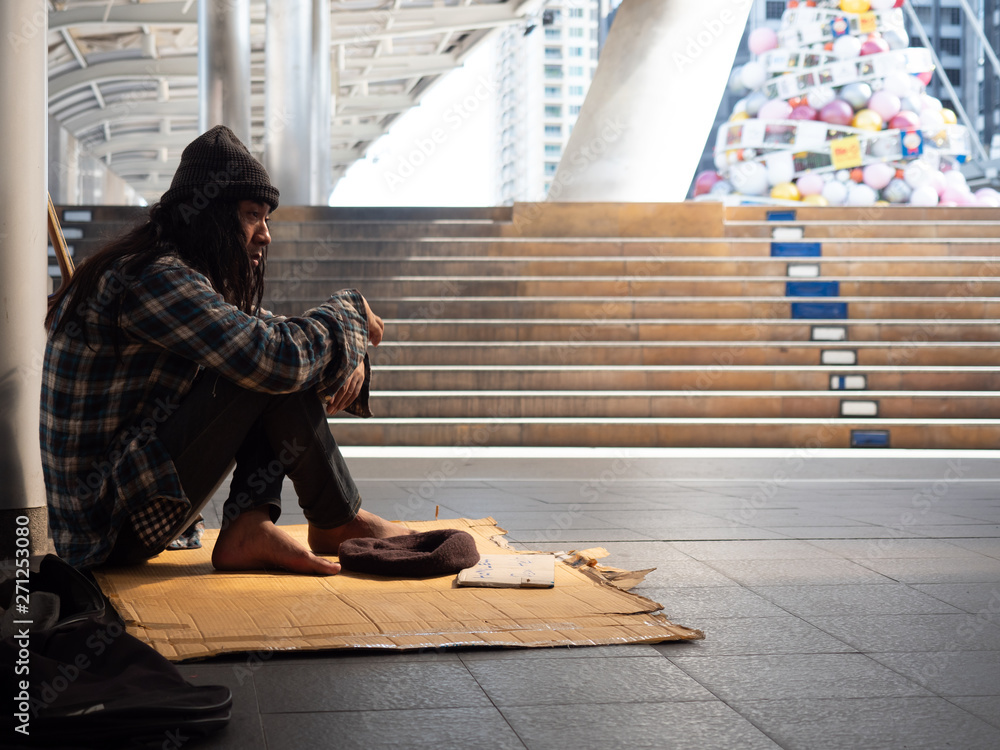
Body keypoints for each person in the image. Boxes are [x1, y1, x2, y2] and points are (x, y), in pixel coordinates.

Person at [41, 125, 409, 575]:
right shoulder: (152, 278)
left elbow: (275, 333)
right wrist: (350, 314)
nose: (265, 235)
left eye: (268, 218)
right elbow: (278, 357)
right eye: (253, 215)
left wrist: (347, 350)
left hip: (119, 512)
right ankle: (335, 520)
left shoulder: (168, 272)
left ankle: (252, 526)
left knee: (276, 352)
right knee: (268, 363)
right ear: (210, 216)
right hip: (110, 527)